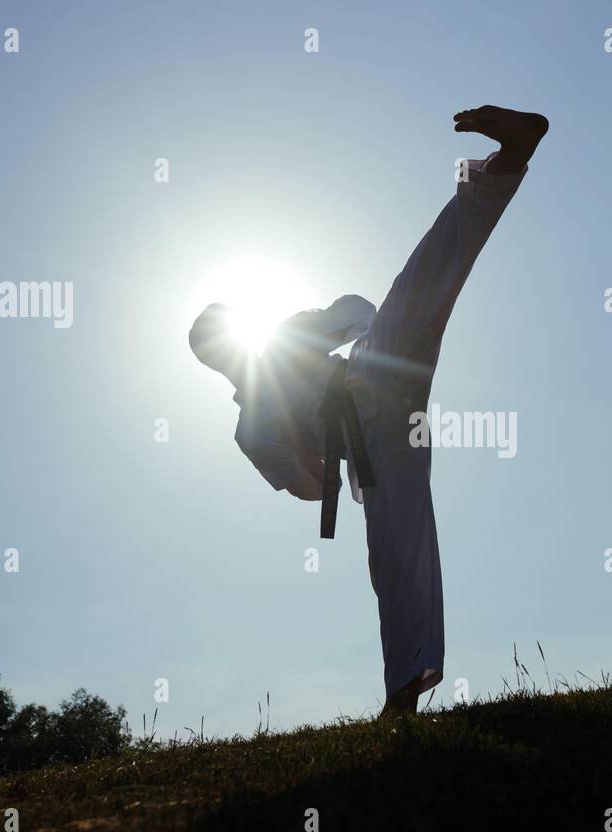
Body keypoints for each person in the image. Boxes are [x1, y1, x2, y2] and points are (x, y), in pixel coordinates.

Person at [190, 105, 548, 716]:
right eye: (216, 347)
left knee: (428, 274)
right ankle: (404, 690)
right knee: (393, 550)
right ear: (213, 361)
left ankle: (509, 157)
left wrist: (362, 336)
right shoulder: (251, 428)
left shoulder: (285, 336)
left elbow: (354, 307)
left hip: (376, 369)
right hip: (375, 449)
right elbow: (307, 491)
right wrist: (310, 454)